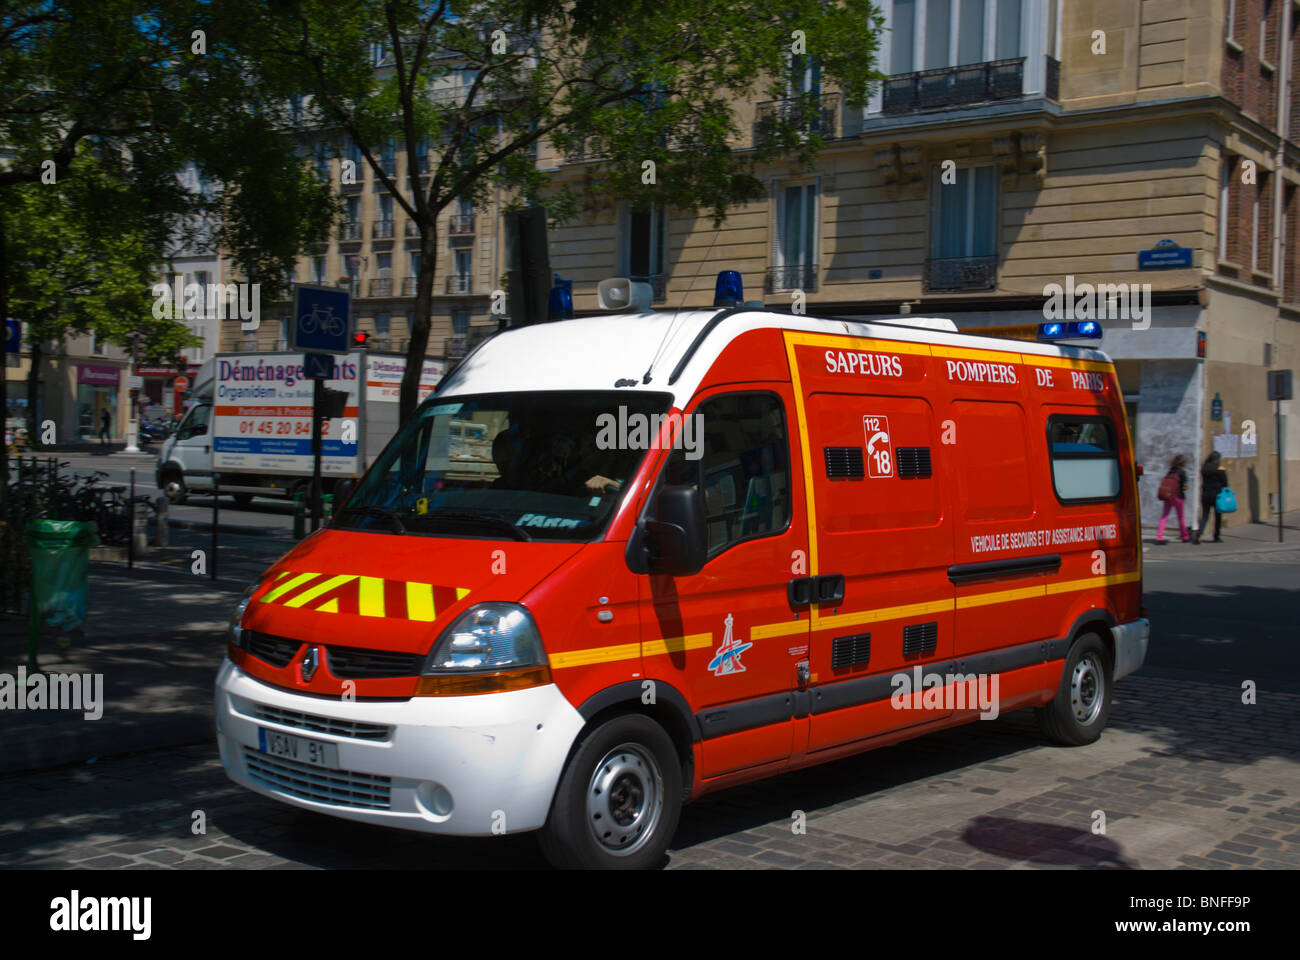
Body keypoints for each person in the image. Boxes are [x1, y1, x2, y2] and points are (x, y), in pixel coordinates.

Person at [1194, 450, 1229, 544]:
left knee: (1205, 515)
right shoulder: (1220, 469)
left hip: (1205, 493)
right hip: (1217, 495)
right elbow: (1225, 483)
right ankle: (1216, 536)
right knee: (1217, 516)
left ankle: (1199, 533)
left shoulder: (1204, 468)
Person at [1154, 454, 1190, 544]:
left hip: (1168, 497)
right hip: (1179, 497)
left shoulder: (1170, 471)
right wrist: (1185, 488)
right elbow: (1184, 486)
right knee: (1181, 517)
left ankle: (1159, 537)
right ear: (1183, 463)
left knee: (1164, 516)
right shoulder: (1182, 472)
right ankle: (1184, 536)